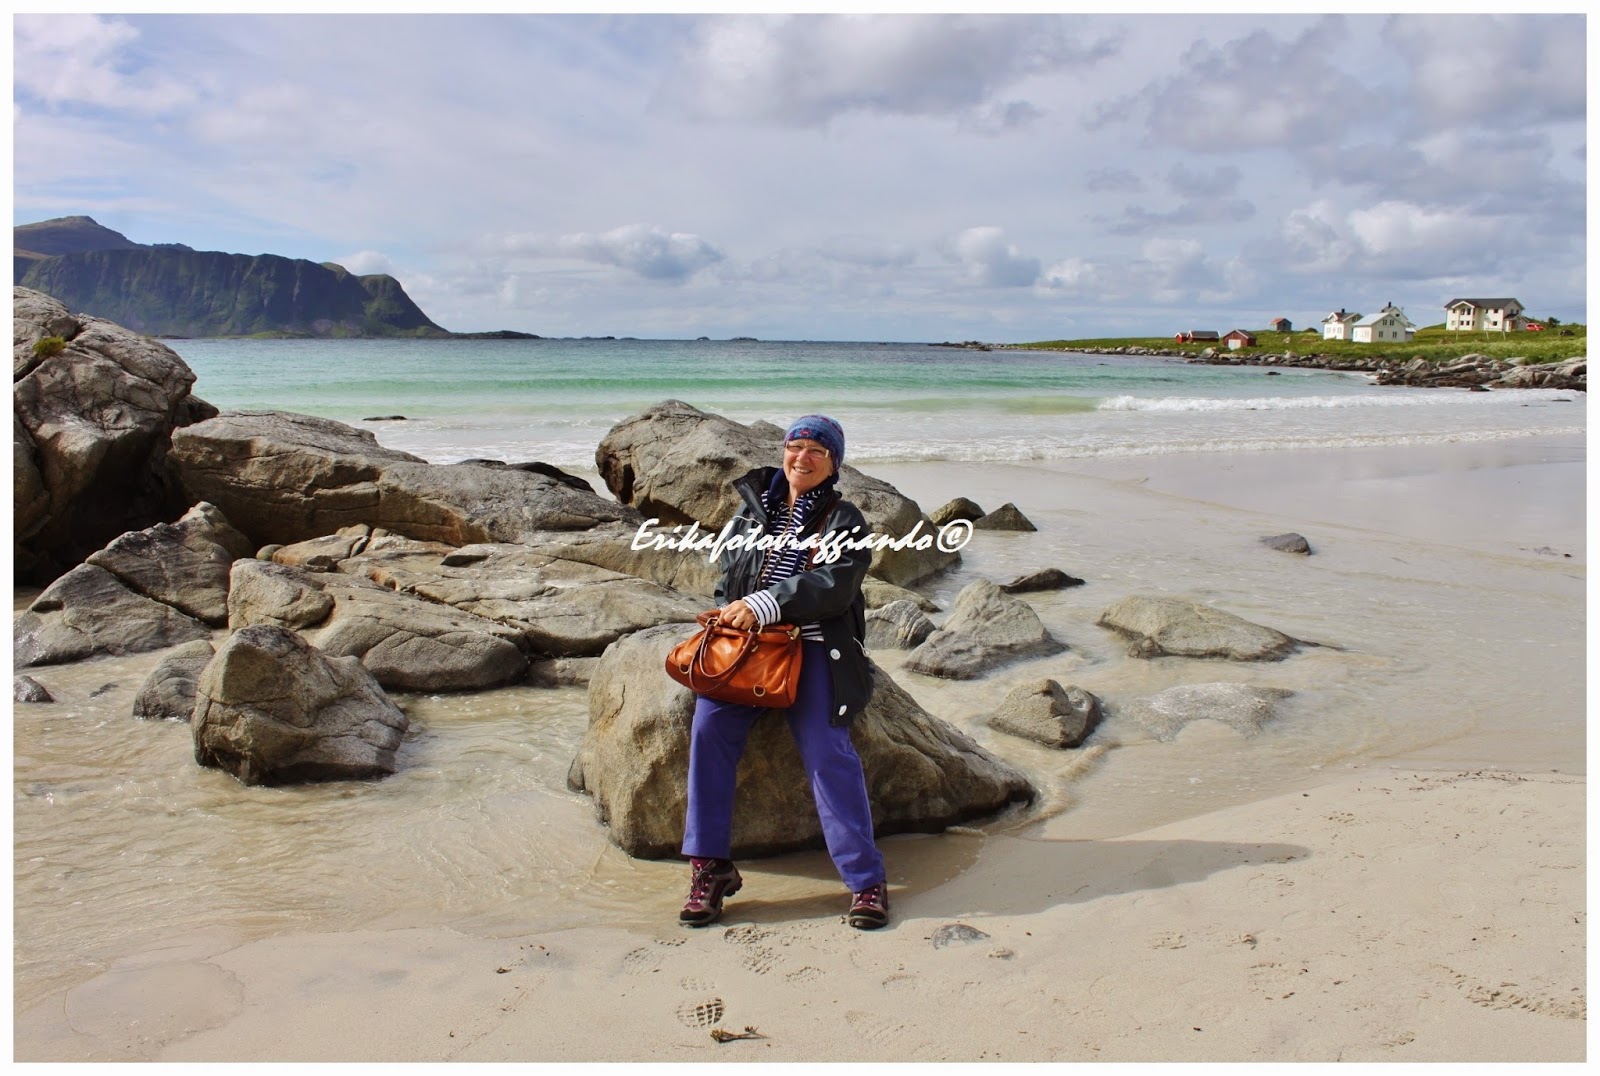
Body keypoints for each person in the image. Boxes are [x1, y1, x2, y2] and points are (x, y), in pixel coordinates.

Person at [678, 414, 888, 930]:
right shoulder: (750, 512)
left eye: (819, 450)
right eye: (797, 445)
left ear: (833, 463)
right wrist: (737, 618)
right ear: (783, 450)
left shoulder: (846, 519)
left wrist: (768, 604)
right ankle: (711, 868)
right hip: (751, 649)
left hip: (816, 649)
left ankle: (866, 882)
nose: (805, 457)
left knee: (827, 751)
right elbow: (727, 578)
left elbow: (838, 585)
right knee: (708, 731)